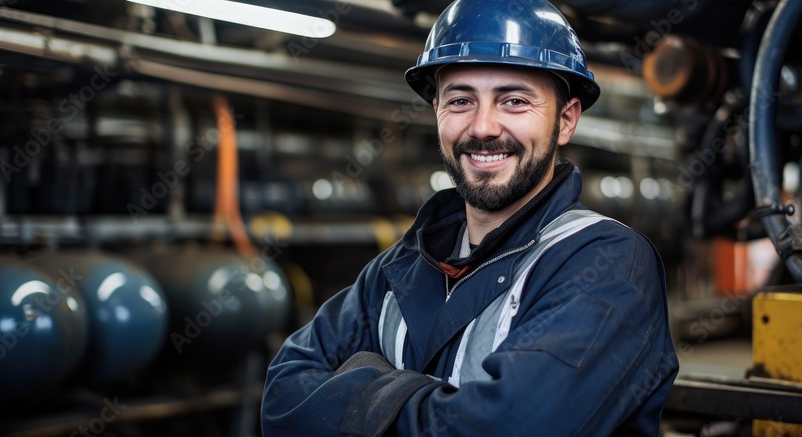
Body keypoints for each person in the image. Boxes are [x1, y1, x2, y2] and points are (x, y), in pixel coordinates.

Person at [261, 0, 679, 435]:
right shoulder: (399, 268)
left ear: (566, 120)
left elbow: (510, 429)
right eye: (461, 100)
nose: (482, 127)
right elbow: (282, 398)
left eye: (514, 101)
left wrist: (364, 391)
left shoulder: (609, 265)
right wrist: (441, 408)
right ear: (437, 111)